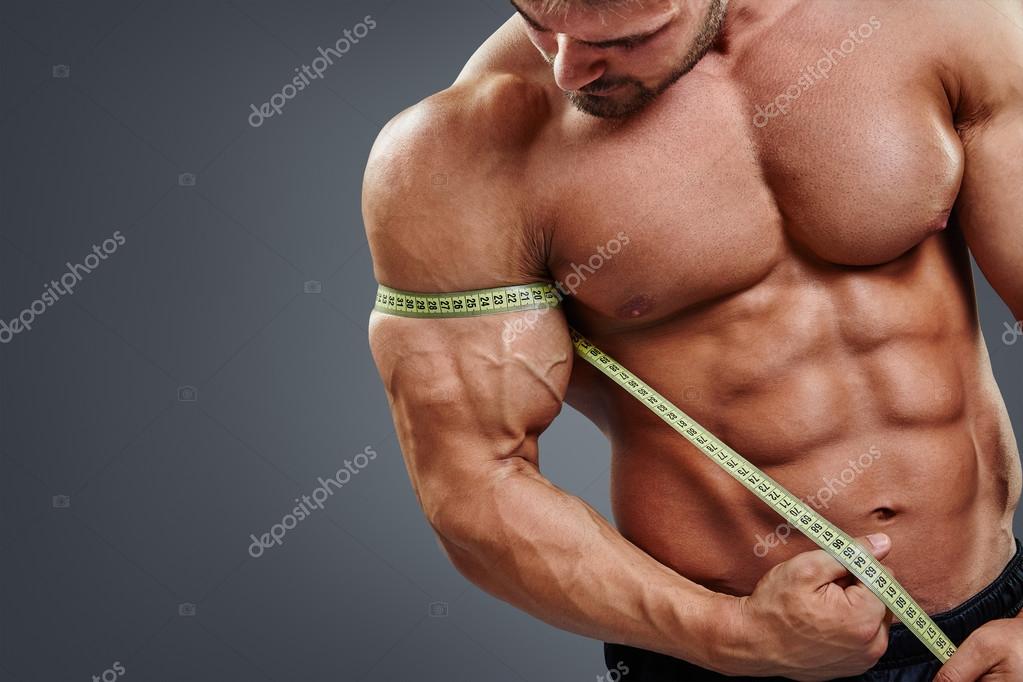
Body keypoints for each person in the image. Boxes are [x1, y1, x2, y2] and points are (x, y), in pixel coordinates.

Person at [363, 0, 1023, 679]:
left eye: (625, 39)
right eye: (536, 20)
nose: (564, 69)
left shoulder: (943, 19)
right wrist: (733, 636)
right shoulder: (461, 150)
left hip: (991, 629)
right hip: (716, 655)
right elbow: (472, 485)